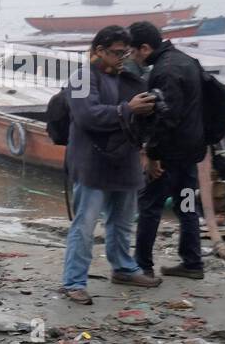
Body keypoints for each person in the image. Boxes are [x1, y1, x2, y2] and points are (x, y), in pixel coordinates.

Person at [60, 25, 160, 303]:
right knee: (84, 225)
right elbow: (87, 116)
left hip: (125, 159)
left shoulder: (130, 77)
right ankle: (74, 282)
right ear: (98, 51)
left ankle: (124, 268)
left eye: (125, 52)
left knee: (123, 222)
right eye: (116, 53)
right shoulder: (81, 77)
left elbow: (144, 118)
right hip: (91, 162)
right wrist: (127, 109)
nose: (121, 58)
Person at [128, 21, 207, 280]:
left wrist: (152, 154)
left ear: (145, 47)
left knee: (150, 206)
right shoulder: (187, 61)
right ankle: (192, 262)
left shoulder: (166, 71)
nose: (132, 57)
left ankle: (143, 265)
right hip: (190, 152)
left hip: (168, 155)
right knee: (187, 205)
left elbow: (166, 117)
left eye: (133, 52)